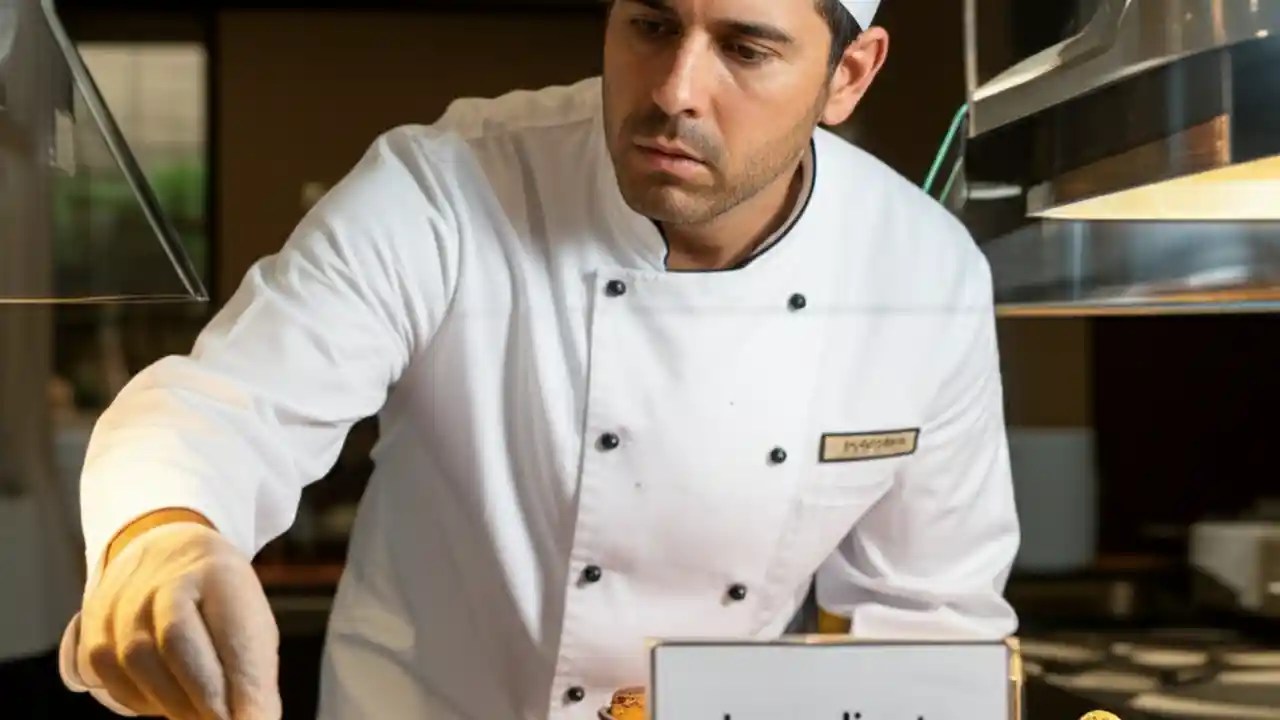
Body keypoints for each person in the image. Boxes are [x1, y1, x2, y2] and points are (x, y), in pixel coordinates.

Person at [59, 0, 1022, 718]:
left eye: (745, 48)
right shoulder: (448, 185)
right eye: (650, 24)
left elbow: (931, 622)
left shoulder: (922, 271)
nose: (676, 90)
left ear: (848, 74)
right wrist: (165, 532)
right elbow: (228, 405)